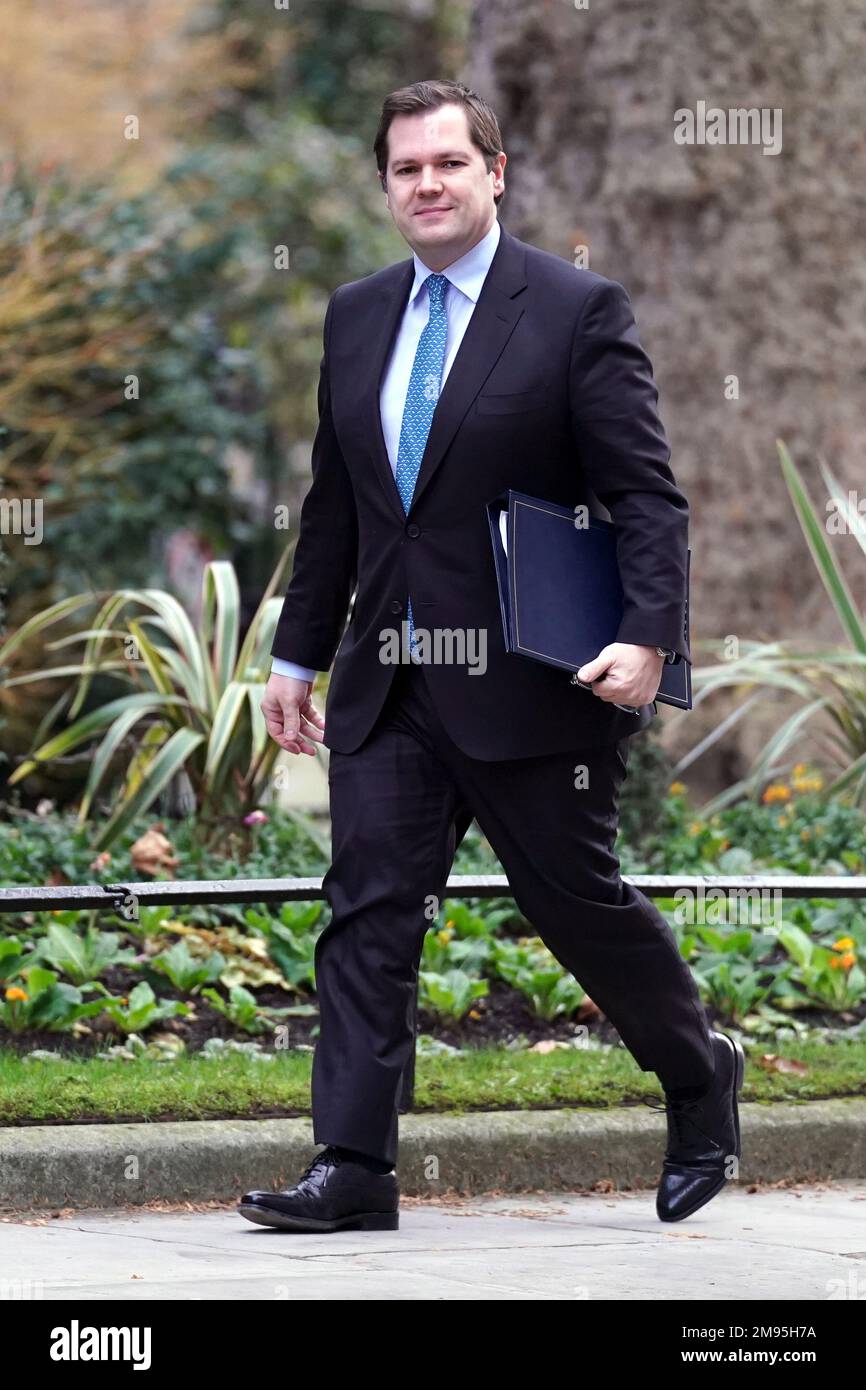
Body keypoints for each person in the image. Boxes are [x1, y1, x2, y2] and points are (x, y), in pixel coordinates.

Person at [238, 78, 744, 1234]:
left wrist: (645, 633)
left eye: (447, 165)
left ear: (495, 172)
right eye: (405, 169)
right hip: (391, 677)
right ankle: (353, 1163)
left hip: (532, 681)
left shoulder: (573, 309)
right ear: (384, 186)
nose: (425, 184)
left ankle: (696, 1073)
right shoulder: (356, 314)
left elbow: (645, 497)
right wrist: (296, 654)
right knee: (367, 907)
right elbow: (337, 508)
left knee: (574, 905)